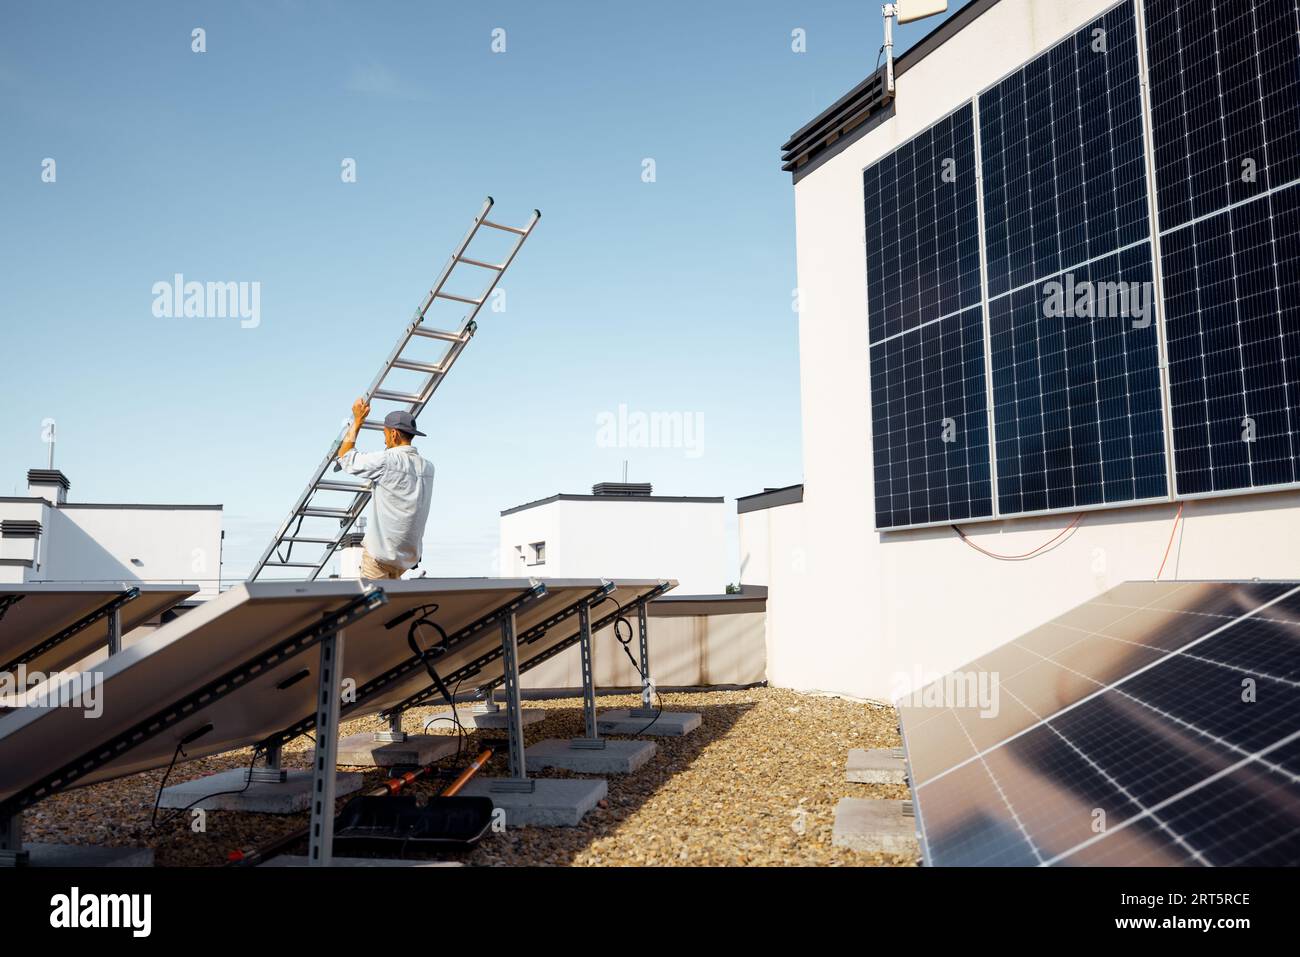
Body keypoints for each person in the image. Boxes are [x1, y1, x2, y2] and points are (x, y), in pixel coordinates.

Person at [336, 397, 435, 580]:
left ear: (394, 434)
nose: (384, 440)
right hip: (405, 557)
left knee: (373, 606)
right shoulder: (428, 468)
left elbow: (345, 458)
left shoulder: (386, 460)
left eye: (385, 434)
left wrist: (358, 421)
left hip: (380, 557)